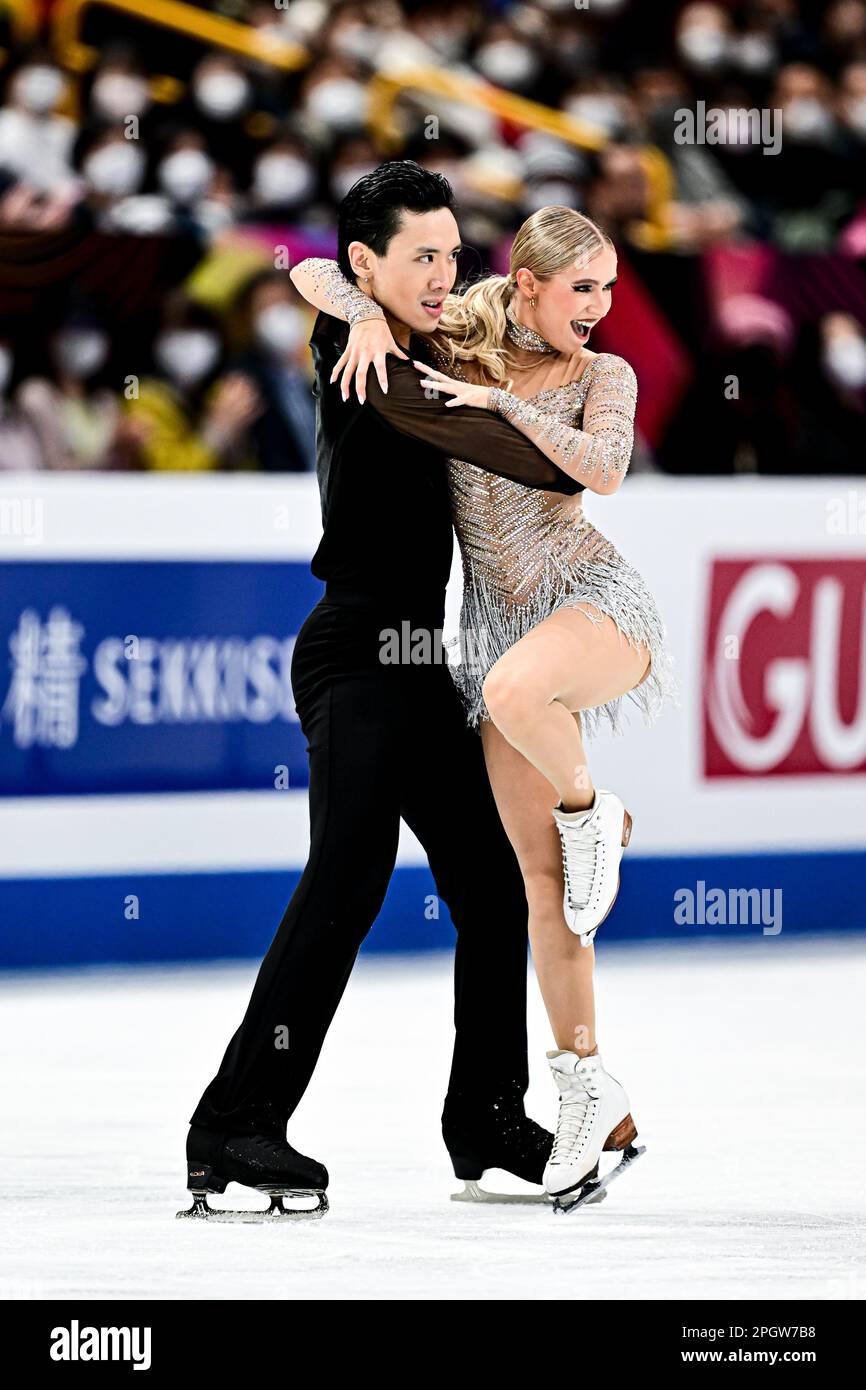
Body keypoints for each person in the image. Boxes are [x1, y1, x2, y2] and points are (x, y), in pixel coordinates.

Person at [181, 162, 584, 1221]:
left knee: (490, 886)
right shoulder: (359, 357)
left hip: (417, 661)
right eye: (421, 256)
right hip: (353, 651)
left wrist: (375, 302)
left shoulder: (423, 343)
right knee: (349, 877)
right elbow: (311, 273)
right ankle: (234, 1123)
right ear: (371, 262)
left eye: (452, 254)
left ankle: (486, 1118)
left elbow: (337, 276)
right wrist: (354, 306)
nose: (445, 273)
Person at [290, 202, 677, 1210]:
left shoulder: (604, 374)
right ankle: (585, 1083)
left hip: (594, 606)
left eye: (606, 289)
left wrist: (504, 410)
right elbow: (308, 275)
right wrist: (364, 318)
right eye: (578, 288)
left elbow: (605, 468)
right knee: (534, 890)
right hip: (501, 635)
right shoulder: (465, 329)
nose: (595, 309)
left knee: (515, 700)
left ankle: (594, 805)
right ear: (528, 284)